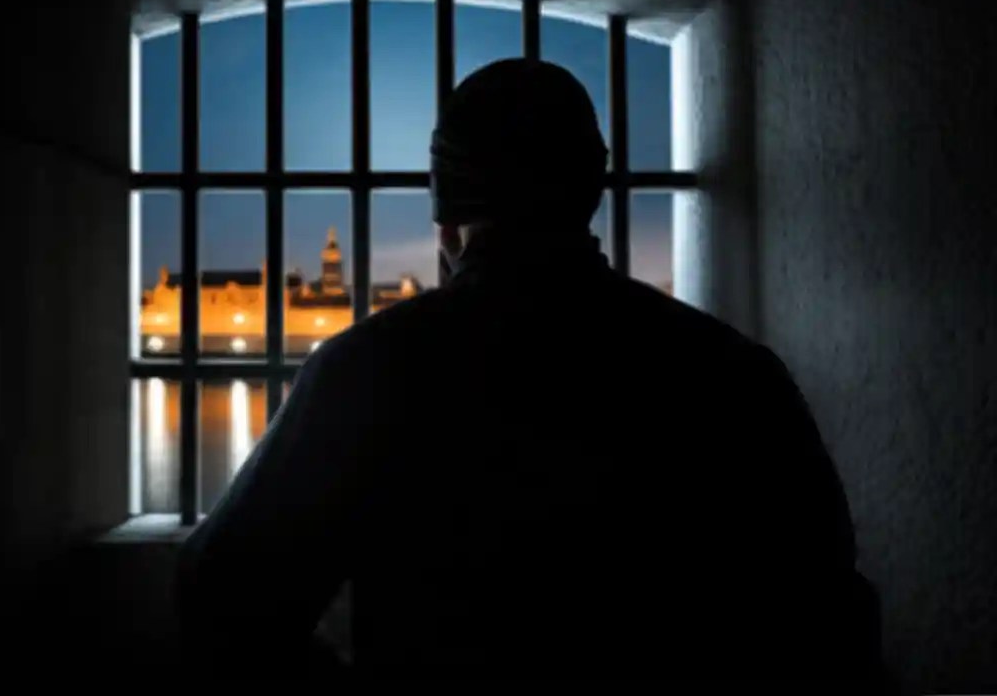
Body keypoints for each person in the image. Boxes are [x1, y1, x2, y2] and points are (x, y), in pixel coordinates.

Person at [176, 58, 881, 682]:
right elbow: (827, 619)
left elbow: (220, 597)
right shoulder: (732, 374)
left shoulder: (362, 371)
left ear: (447, 222)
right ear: (590, 192)